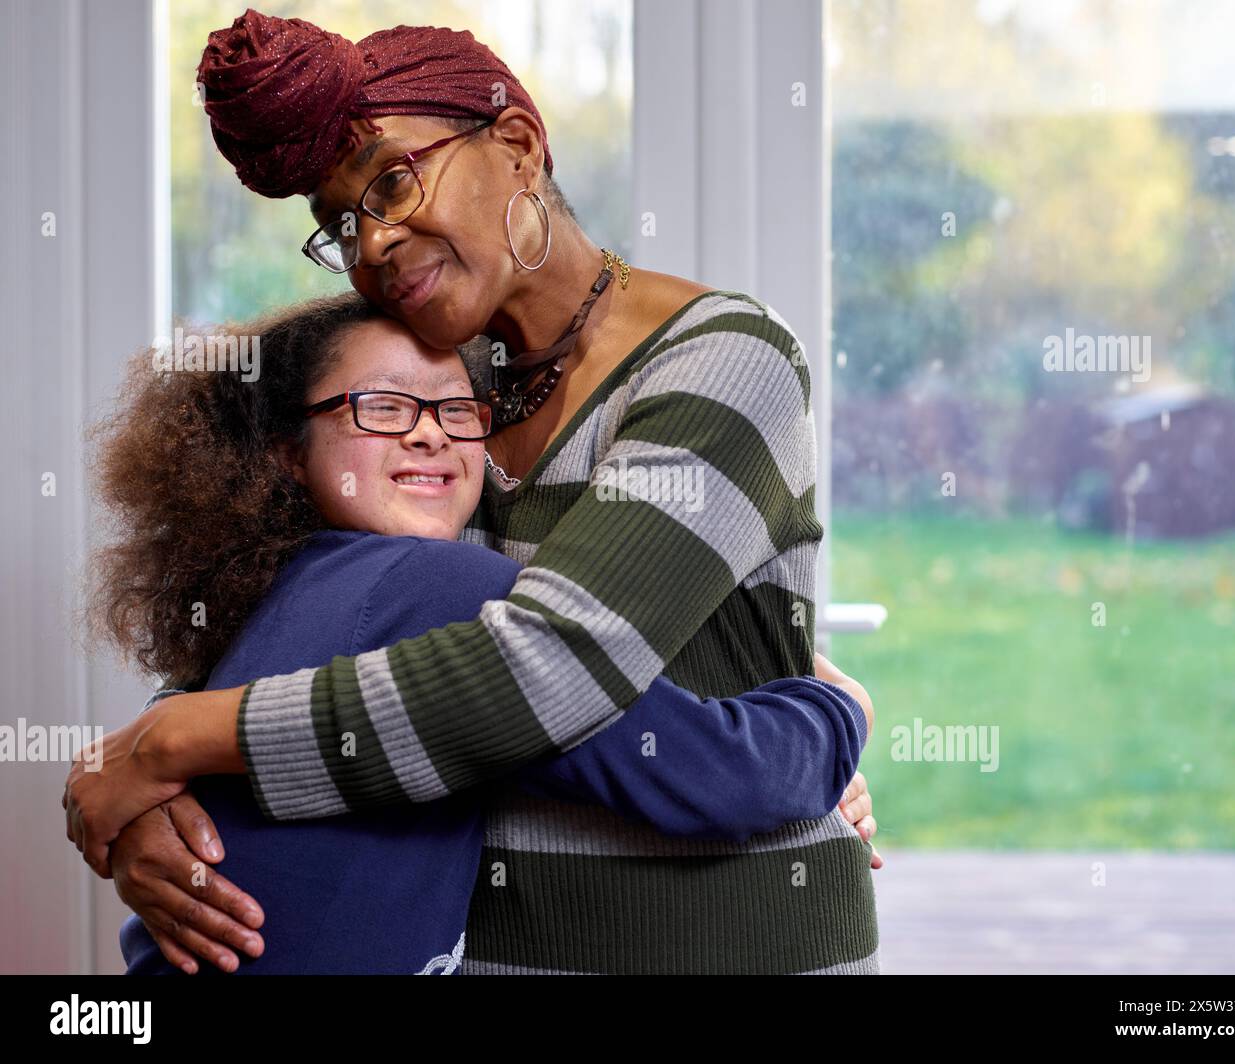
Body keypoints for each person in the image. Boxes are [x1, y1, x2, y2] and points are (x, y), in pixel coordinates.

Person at [66, 9, 882, 974]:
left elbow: (553, 666)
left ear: (519, 144)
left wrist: (173, 743)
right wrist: (152, 791)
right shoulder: (450, 394)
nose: (371, 243)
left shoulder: (722, 359)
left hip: (733, 944)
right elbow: (303, 605)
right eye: (341, 223)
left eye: (392, 181)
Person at [91, 294, 870, 974]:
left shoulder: (281, 583)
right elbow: (720, 775)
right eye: (384, 406)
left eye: (456, 410)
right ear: (289, 453)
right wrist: (842, 710)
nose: (430, 434)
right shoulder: (443, 585)